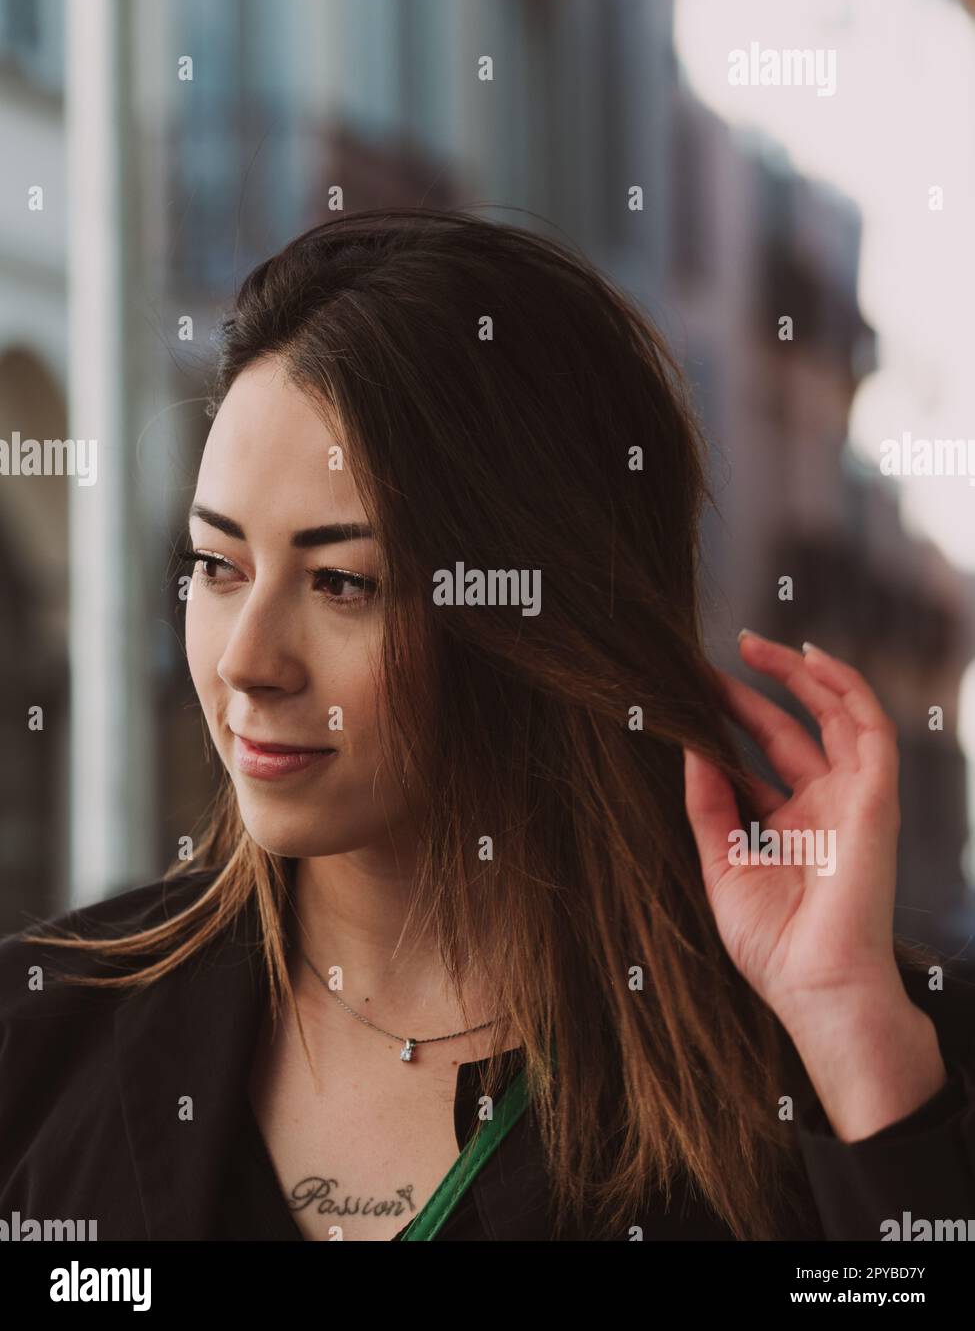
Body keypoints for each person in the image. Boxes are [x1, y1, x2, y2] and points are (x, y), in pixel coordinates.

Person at [1, 207, 974, 1243]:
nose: (246, 658)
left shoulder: (858, 1057)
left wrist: (852, 1035)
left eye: (343, 581)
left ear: (535, 614)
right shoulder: (39, 1037)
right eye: (217, 565)